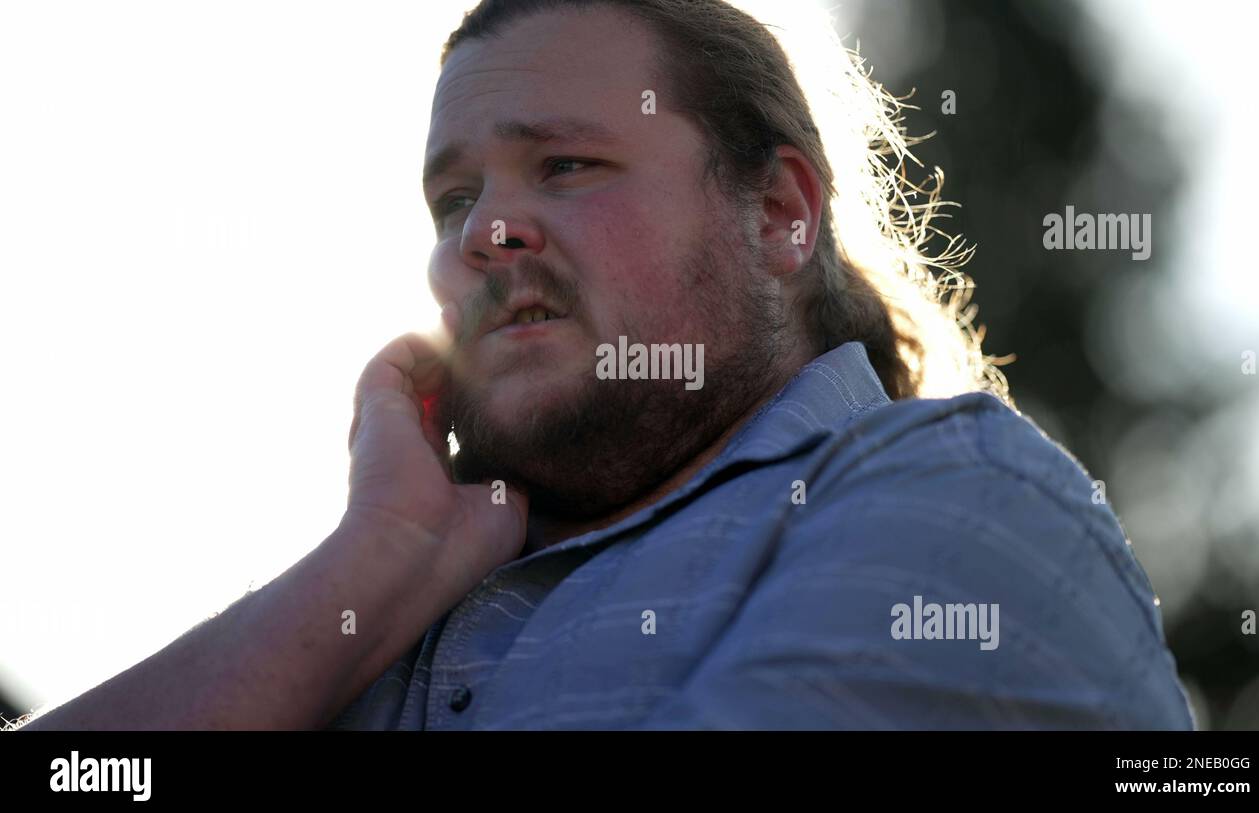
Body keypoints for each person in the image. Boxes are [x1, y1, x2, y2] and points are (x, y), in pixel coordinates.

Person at [17, 0, 1194, 731]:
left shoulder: (957, 494)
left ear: (781, 211)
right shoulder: (380, 605)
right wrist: (371, 556)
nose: (485, 232)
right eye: (453, 197)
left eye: (567, 165)